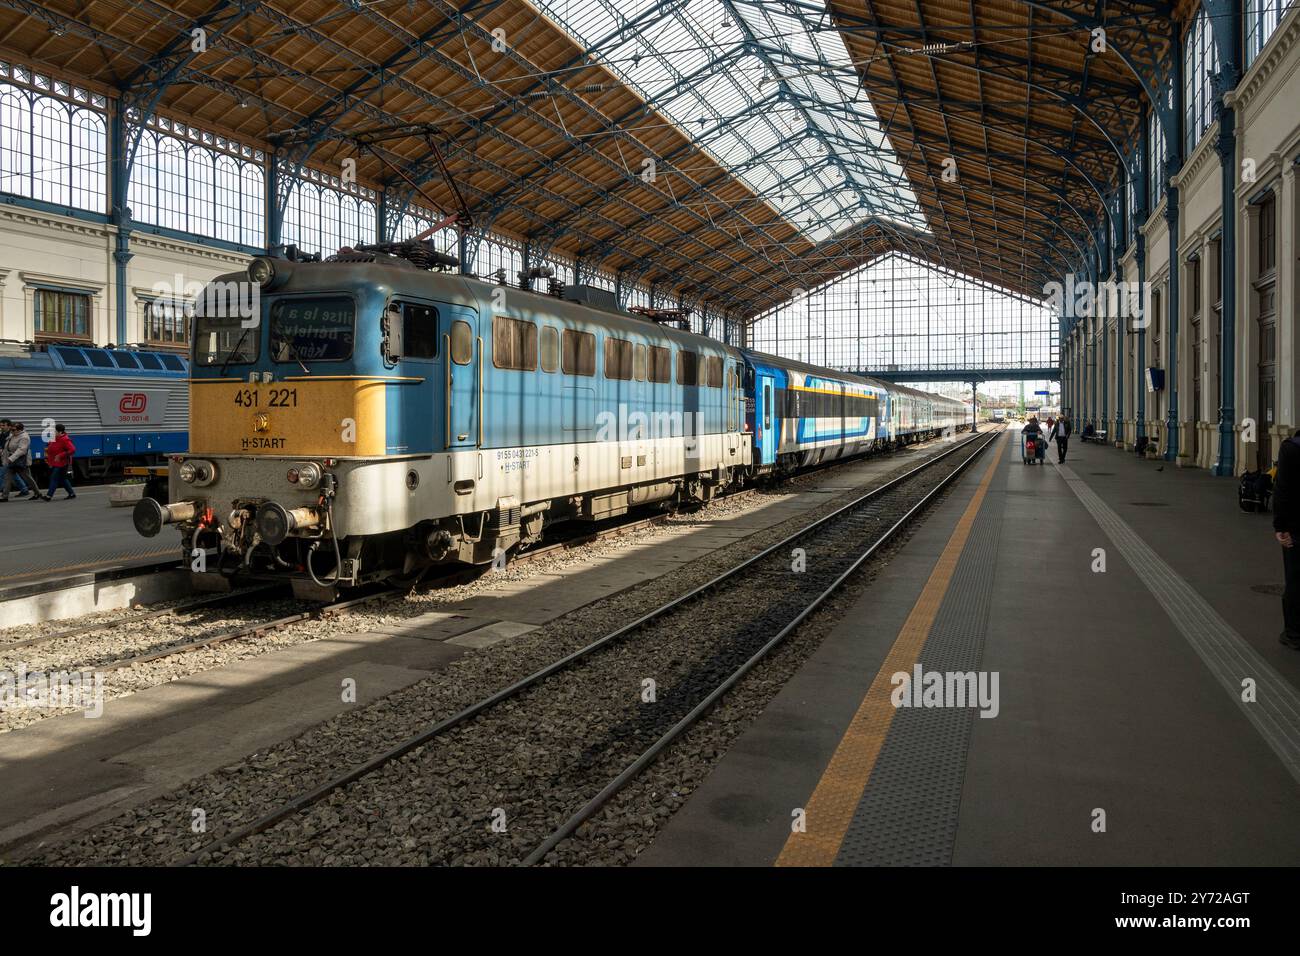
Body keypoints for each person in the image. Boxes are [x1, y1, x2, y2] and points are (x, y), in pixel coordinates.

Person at [1275, 430, 1300, 650]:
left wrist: (1280, 527)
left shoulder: (1291, 448)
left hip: (1296, 528)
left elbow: (1282, 490)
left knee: (1295, 580)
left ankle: (1293, 633)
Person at [1, 422, 47, 501]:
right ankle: (5, 496)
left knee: (28, 478)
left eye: (13, 429)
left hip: (21, 461)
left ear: (20, 430)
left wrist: (11, 458)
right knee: (7, 478)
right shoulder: (12, 435)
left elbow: (21, 450)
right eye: (11, 429)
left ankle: (37, 493)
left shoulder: (24, 437)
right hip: (12, 461)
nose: (12, 431)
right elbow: (7, 447)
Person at [44, 423, 77, 500]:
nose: (53, 433)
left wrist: (60, 455)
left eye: (55, 431)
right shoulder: (55, 438)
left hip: (62, 463)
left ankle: (49, 496)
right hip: (55, 462)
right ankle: (71, 494)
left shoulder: (65, 439)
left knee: (54, 478)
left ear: (60, 432)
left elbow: (72, 450)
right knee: (62, 479)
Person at [0, 418, 30, 499]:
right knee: (13, 475)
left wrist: (10, 457)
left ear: (9, 426)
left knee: (2, 474)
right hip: (5, 457)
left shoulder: (12, 434)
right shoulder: (2, 434)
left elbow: (20, 449)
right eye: (1, 425)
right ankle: (24, 489)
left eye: (3, 425)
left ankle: (4, 495)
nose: (1, 427)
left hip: (10, 458)